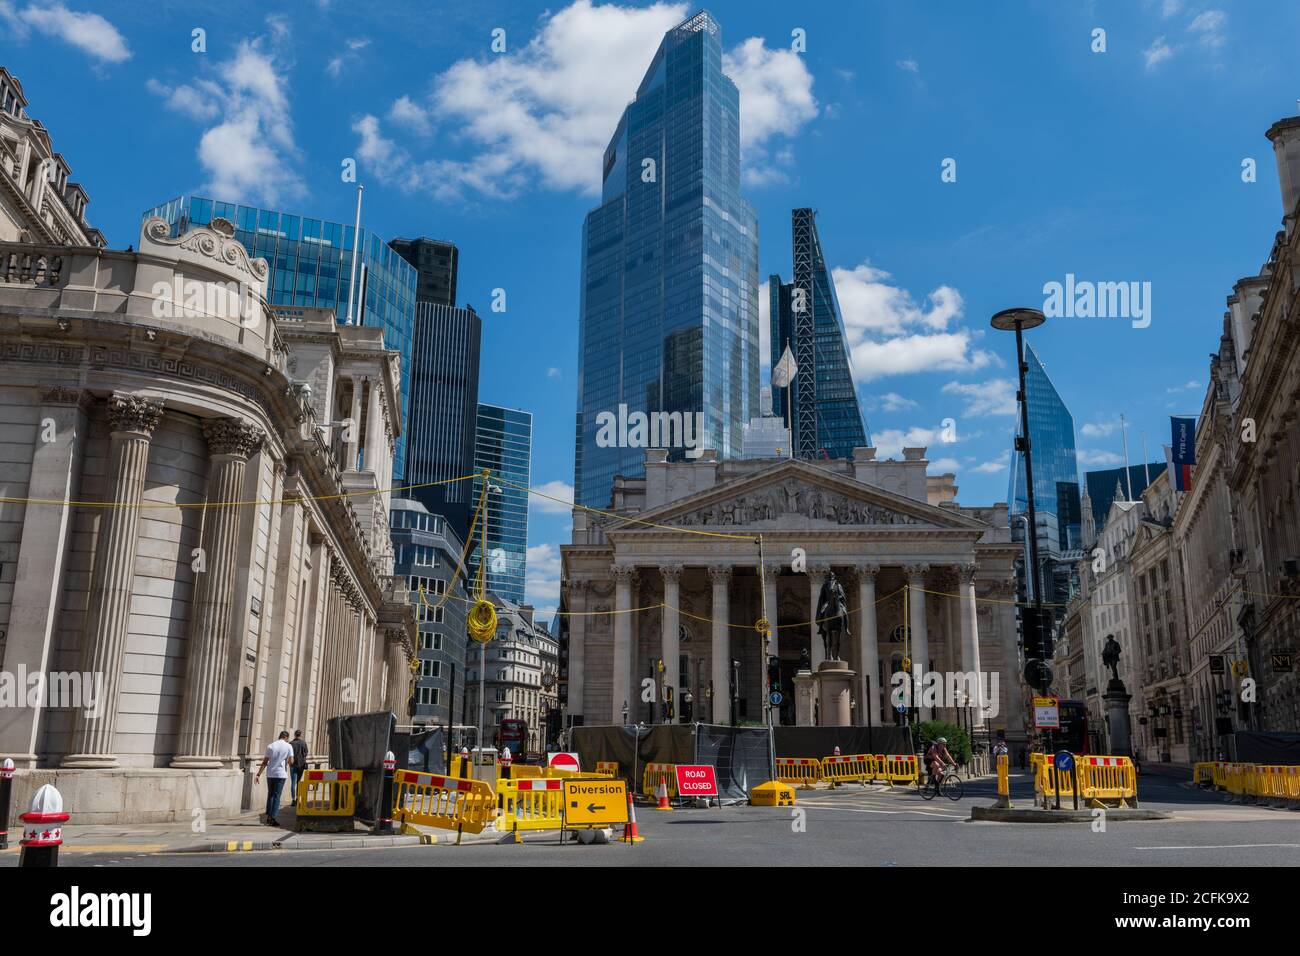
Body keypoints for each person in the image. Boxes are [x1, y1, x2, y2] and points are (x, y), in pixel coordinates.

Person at [255, 730, 294, 827]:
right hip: (281, 774)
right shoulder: (288, 746)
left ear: (279, 736)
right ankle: (273, 818)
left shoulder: (271, 746)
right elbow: (291, 762)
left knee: (270, 795)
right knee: (277, 796)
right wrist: (287, 760)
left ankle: (268, 816)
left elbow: (265, 762)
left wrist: (258, 774)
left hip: (270, 773)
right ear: (286, 738)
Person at [289, 729, 309, 802]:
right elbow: (306, 753)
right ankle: (298, 798)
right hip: (301, 765)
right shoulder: (303, 743)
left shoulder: (291, 743)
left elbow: (289, 754)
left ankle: (293, 799)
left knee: (293, 782)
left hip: (293, 764)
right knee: (299, 782)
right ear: (300, 735)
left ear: (295, 735)